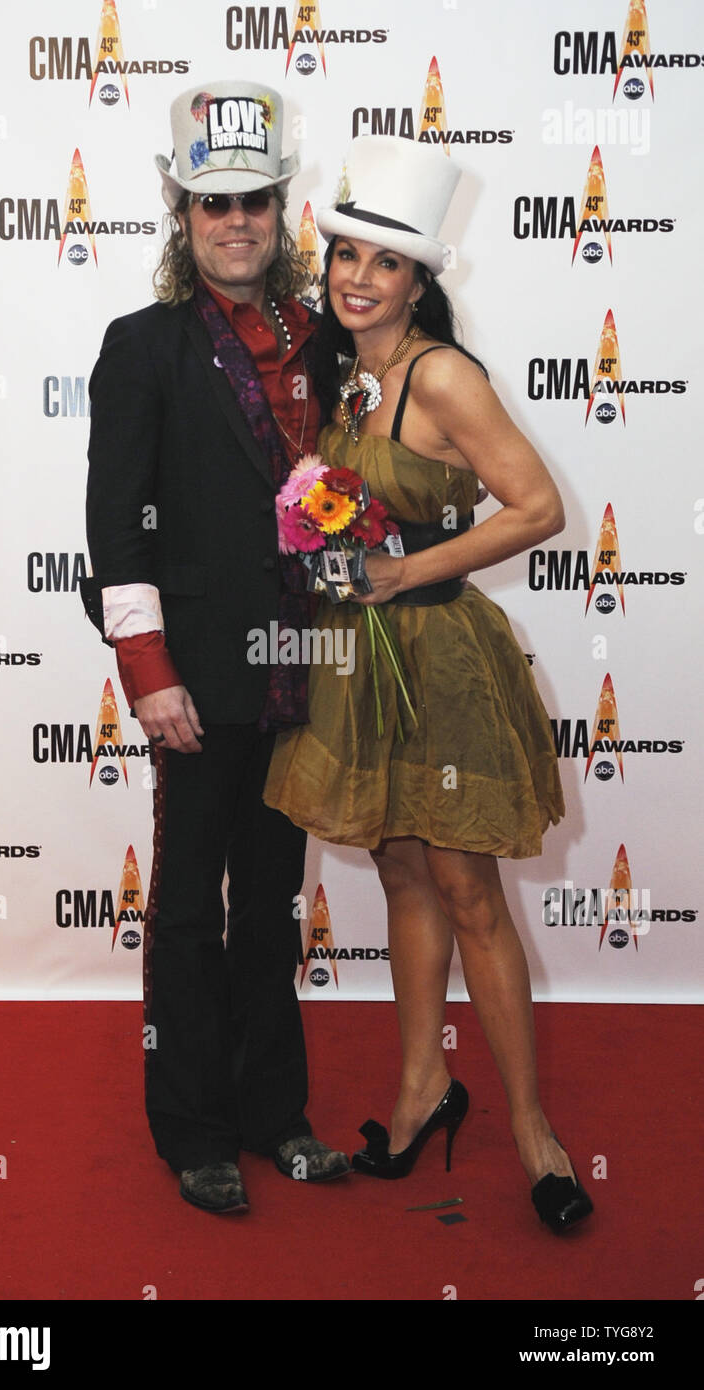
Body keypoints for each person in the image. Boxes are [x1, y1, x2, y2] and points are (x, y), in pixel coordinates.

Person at [263, 135, 594, 1234]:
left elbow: (537, 508)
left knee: (470, 899)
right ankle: (419, 1094)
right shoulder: (347, 373)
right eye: (345, 255)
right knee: (403, 873)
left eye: (383, 264)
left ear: (420, 279)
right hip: (360, 661)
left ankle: (536, 1130)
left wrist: (407, 565)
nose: (355, 277)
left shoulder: (441, 375)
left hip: (439, 660)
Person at [83, 81, 349, 1214]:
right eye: (211, 205)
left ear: (282, 209)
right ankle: (191, 1127)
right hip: (196, 682)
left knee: (276, 903)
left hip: (305, 677)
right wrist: (149, 677)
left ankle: (272, 1113)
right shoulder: (140, 347)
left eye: (253, 201)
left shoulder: (330, 343)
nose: (235, 221)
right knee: (191, 905)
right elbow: (112, 527)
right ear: (179, 217)